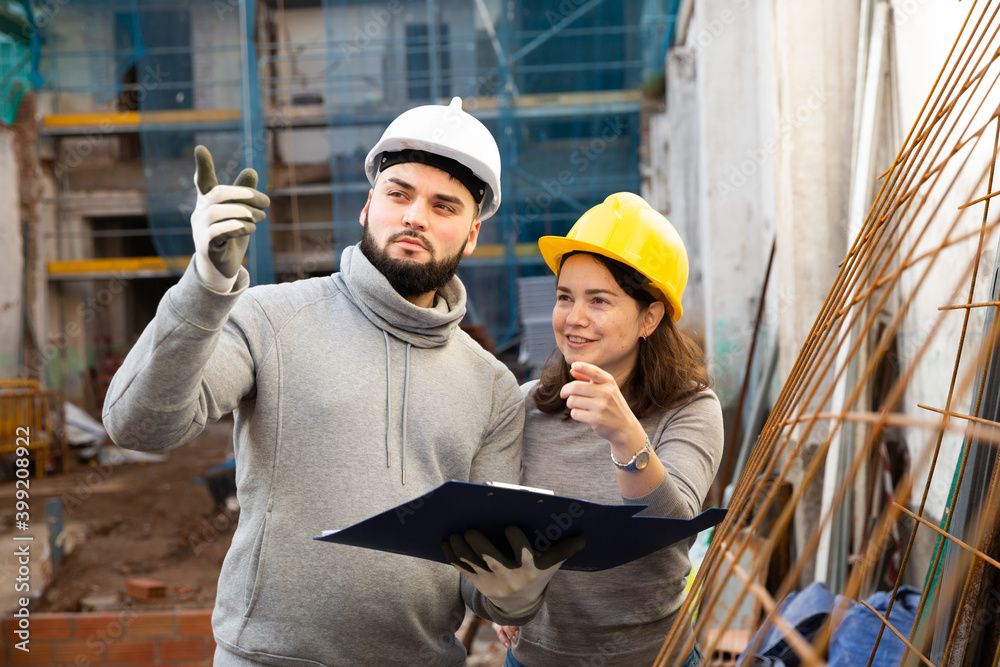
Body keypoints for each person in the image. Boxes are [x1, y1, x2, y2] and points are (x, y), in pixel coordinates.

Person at [103, 98, 563, 665]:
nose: (415, 216)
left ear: (471, 236)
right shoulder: (269, 318)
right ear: (368, 207)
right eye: (399, 194)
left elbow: (477, 582)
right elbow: (139, 425)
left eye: (444, 205)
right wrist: (205, 283)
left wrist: (513, 597)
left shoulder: (491, 385)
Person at [495, 192, 724, 667]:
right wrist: (500, 591)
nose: (574, 319)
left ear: (650, 317)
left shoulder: (690, 409)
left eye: (598, 300)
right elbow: (498, 516)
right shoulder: (527, 405)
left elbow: (671, 529)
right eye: (564, 298)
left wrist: (626, 436)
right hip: (535, 659)